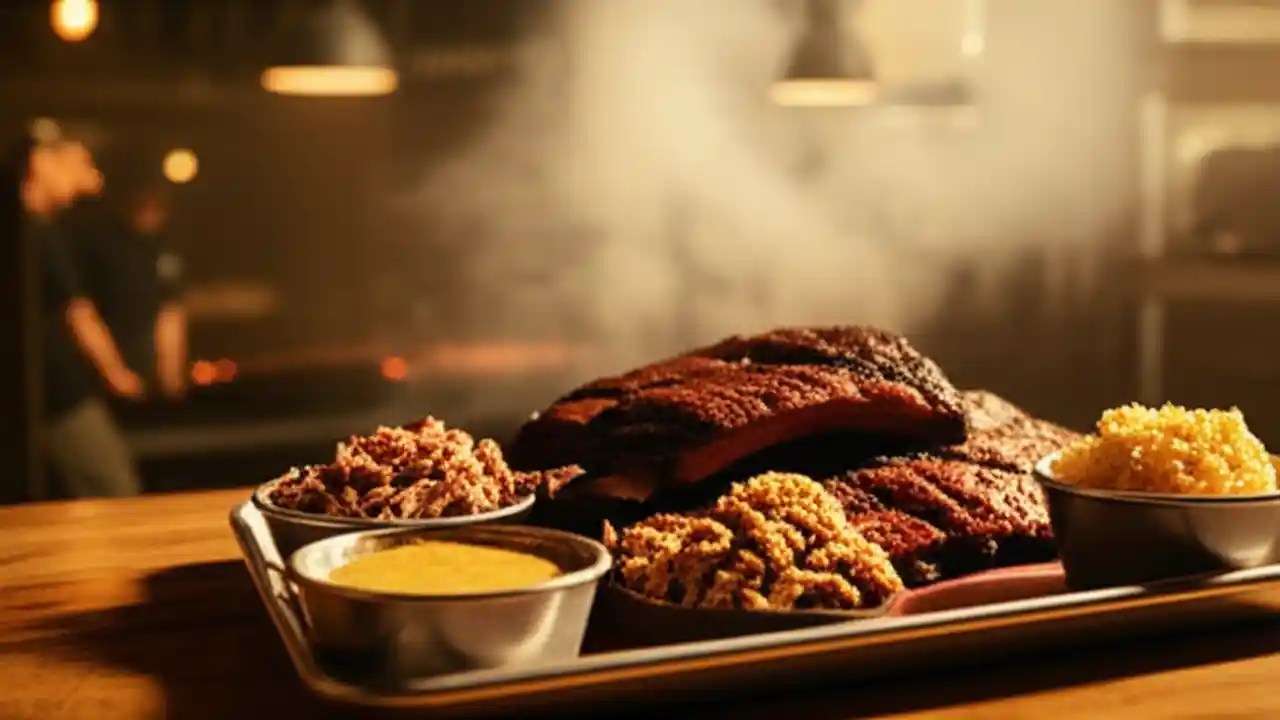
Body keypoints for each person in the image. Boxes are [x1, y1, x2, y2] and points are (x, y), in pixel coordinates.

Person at [19, 135, 142, 498]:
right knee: (115, 490)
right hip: (59, 394)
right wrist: (118, 375)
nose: (93, 181)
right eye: (81, 164)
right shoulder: (34, 232)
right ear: (42, 162)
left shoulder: (38, 230)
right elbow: (77, 312)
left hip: (41, 393)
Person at [59, 148, 188, 400]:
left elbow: (170, 311)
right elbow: (80, 311)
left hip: (149, 372)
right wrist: (115, 373)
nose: (150, 211)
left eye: (157, 204)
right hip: (98, 374)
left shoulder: (165, 247)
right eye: (143, 203)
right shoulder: (96, 243)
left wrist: (171, 373)